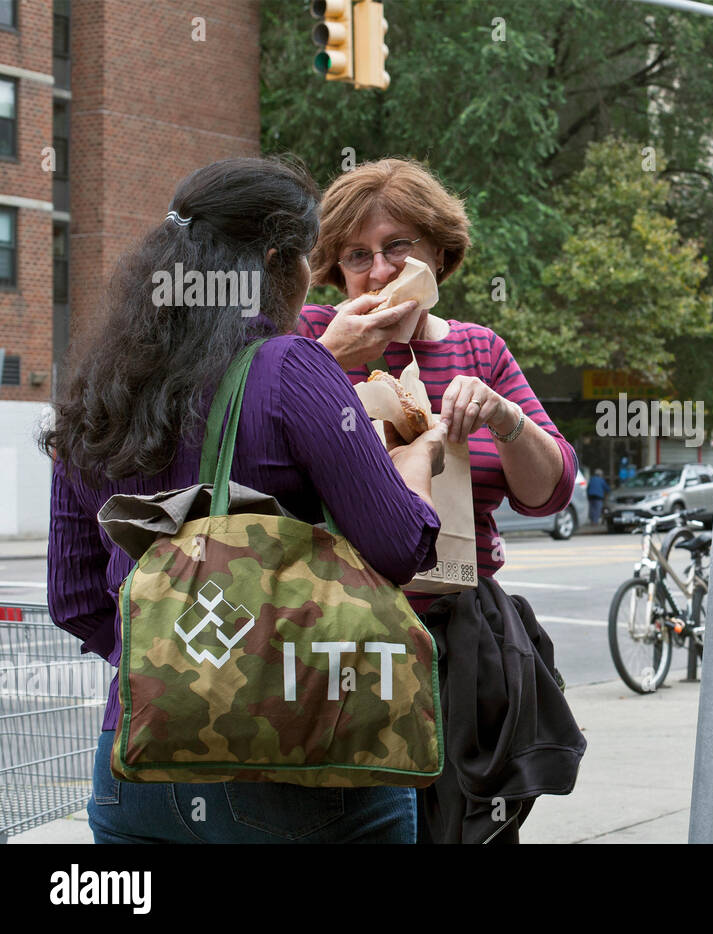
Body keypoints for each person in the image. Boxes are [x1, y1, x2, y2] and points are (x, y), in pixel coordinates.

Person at [43, 157, 445, 844]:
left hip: (137, 763)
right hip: (293, 758)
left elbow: (74, 599)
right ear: (273, 260)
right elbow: (402, 545)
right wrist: (415, 463)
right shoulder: (290, 367)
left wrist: (184, 672)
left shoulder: (98, 389)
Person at [296, 158, 584, 843]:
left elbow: (548, 491)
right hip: (335, 641)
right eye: (357, 255)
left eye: (398, 246)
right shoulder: (304, 338)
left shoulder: (479, 350)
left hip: (458, 646)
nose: (379, 271)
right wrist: (330, 359)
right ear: (336, 269)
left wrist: (506, 419)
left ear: (438, 254)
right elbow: (252, 451)